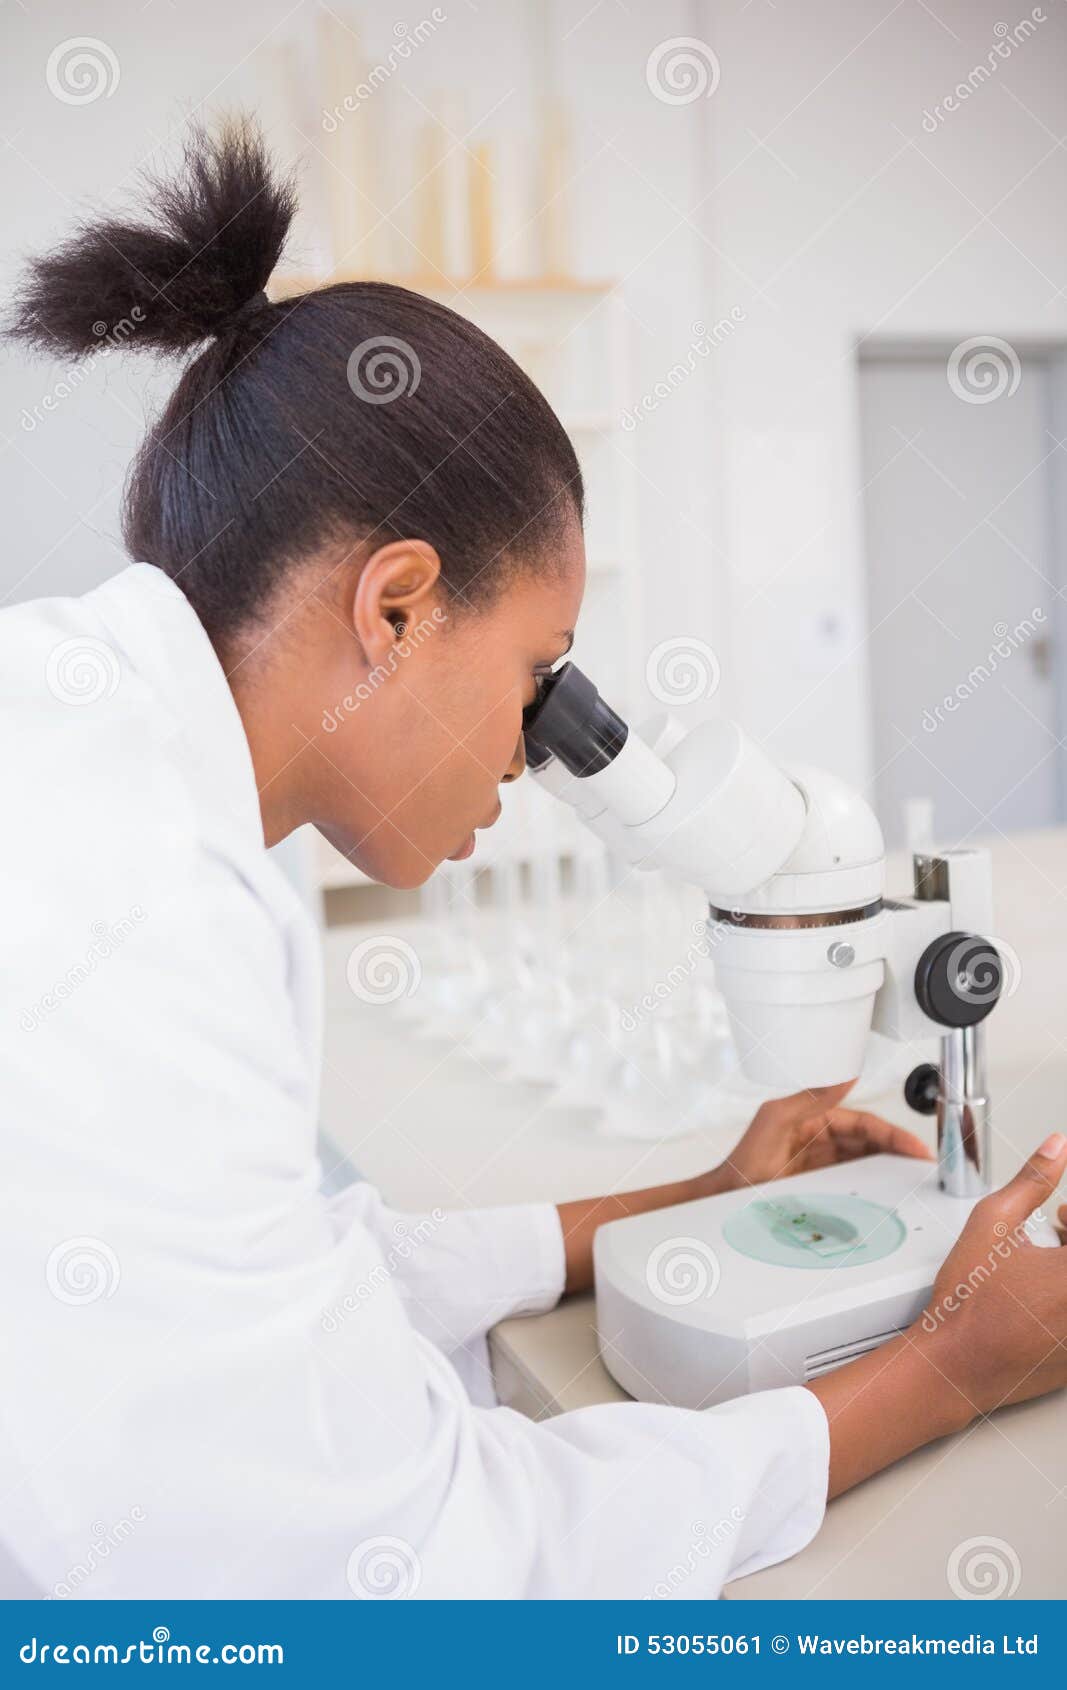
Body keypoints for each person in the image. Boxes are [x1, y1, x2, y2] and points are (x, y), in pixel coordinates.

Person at [3, 120, 1066, 1602]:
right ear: (398, 608)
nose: (532, 750)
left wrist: (696, 1190)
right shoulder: (136, 909)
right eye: (536, 673)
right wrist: (955, 1367)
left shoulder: (94, 750)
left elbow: (295, 1277)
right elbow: (416, 1569)